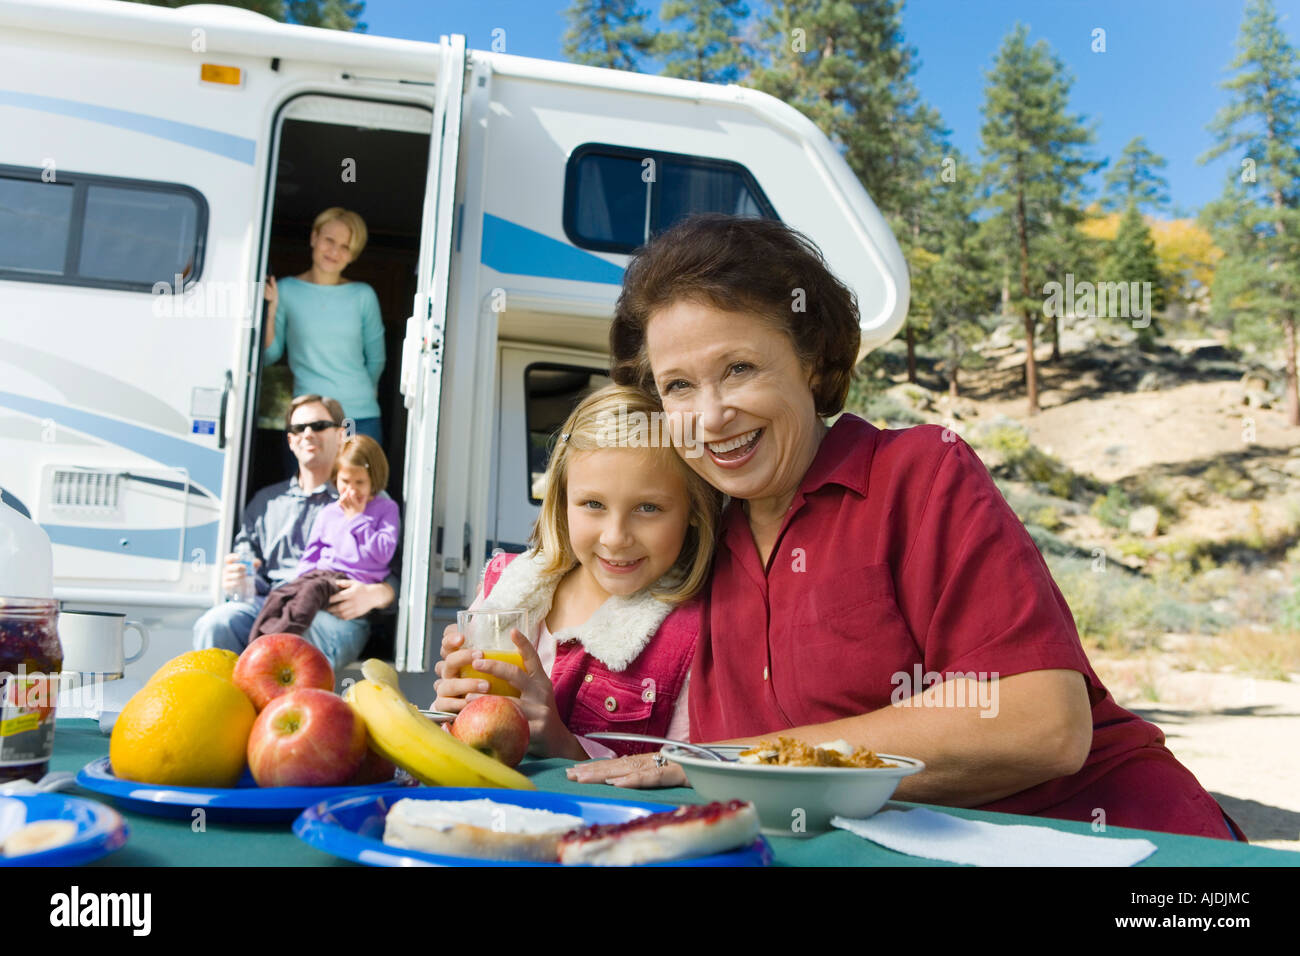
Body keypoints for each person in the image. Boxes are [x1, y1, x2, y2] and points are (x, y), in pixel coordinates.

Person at [570, 213, 1245, 841]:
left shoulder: (917, 475)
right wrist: (539, 719)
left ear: (812, 361)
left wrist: (742, 759)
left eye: (739, 369)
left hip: (1117, 845)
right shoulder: (707, 541)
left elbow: (1043, 724)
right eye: (679, 386)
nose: (711, 416)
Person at [432, 384, 722, 759]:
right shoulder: (502, 588)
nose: (616, 537)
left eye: (648, 508)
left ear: (694, 511)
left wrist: (563, 745)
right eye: (593, 504)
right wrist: (452, 707)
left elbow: (689, 778)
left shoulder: (692, 638)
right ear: (562, 502)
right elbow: (458, 740)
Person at [193, 394, 397, 672]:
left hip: (334, 612)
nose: (308, 434)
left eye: (319, 425)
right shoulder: (266, 503)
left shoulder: (368, 498)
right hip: (274, 602)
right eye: (299, 429)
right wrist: (235, 578)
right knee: (216, 623)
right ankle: (217, 709)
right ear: (290, 441)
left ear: (340, 435)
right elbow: (247, 566)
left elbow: (399, 572)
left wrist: (377, 594)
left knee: (297, 636)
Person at [249, 435, 400, 641]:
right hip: (320, 574)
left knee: (310, 593)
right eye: (345, 482)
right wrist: (298, 582)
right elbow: (312, 553)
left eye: (360, 482)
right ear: (335, 478)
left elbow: (383, 553)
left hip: (350, 581)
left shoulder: (385, 509)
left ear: (374, 480)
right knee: (281, 595)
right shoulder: (329, 512)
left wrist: (356, 518)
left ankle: (280, 641)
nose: (352, 490)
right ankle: (257, 643)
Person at [263, 207, 386, 444]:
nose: (334, 251)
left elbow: (376, 359)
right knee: (309, 483)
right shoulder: (286, 290)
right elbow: (269, 355)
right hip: (309, 417)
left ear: (353, 255)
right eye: (329, 240)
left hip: (359, 417)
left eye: (345, 247)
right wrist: (271, 312)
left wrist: (356, 397)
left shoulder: (363, 295)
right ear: (314, 238)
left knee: (354, 482)